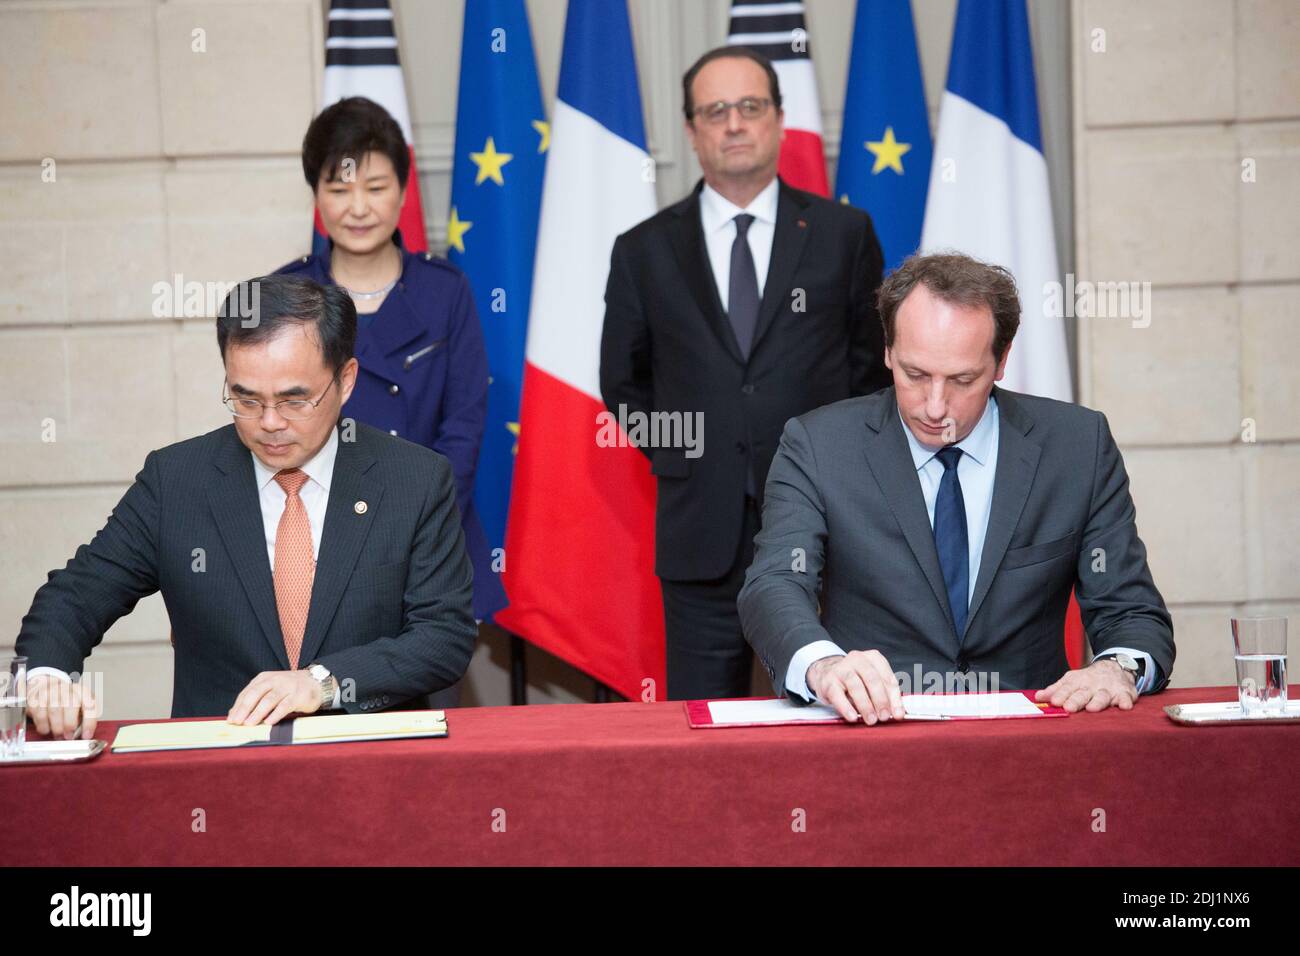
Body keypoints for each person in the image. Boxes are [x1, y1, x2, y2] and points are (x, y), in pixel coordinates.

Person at [17, 275, 478, 738]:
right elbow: (74, 597)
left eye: (295, 400)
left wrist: (323, 683)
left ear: (346, 380)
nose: (270, 423)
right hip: (220, 773)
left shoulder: (413, 480)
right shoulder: (176, 481)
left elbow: (442, 638)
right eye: (246, 399)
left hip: (370, 768)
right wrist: (48, 678)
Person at [739, 252, 1175, 722]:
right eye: (915, 374)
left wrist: (1118, 668)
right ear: (887, 350)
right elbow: (774, 583)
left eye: (962, 380)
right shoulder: (819, 446)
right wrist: (823, 665)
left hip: (1031, 742)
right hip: (873, 732)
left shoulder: (1076, 448)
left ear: (1002, 361)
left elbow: (1131, 611)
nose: (934, 405)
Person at [599, 46, 890, 701]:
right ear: (692, 130)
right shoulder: (643, 251)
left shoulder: (844, 234)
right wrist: (694, 456)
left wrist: (840, 472)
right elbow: (624, 387)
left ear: (780, 121)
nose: (734, 124)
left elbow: (874, 374)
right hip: (701, 536)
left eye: (750, 107)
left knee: (837, 718)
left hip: (830, 534)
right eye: (716, 111)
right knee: (701, 736)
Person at [278, 95, 506, 629]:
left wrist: (415, 522)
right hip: (319, 546)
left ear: (403, 191)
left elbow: (465, 425)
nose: (358, 208)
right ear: (316, 196)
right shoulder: (288, 294)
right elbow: (276, 426)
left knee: (431, 710)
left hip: (434, 540)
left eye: (376, 188)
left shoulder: (444, 288)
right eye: (339, 189)